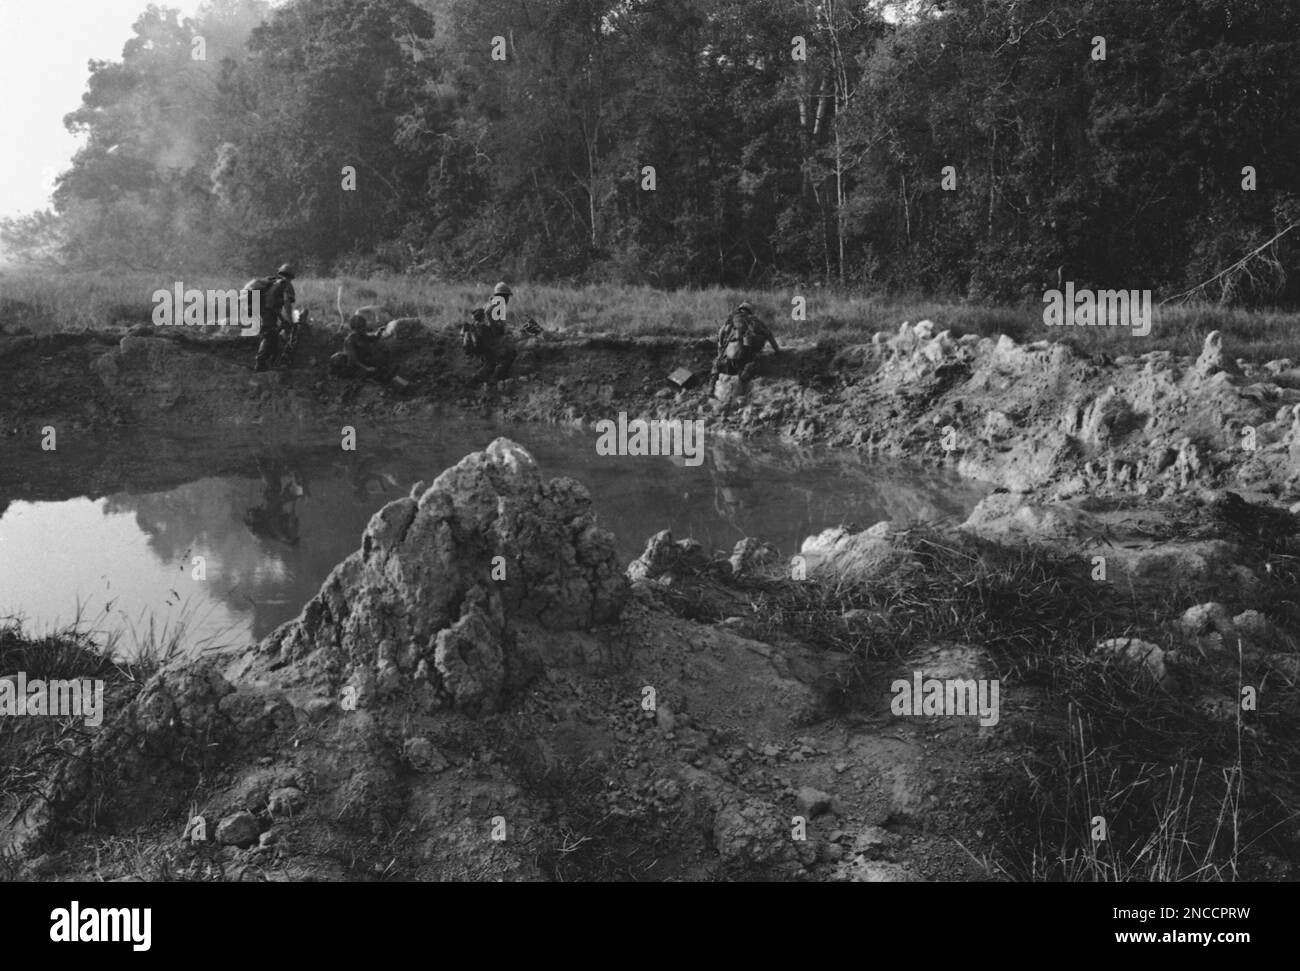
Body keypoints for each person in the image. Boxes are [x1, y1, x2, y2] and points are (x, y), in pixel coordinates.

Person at [709, 301, 780, 388]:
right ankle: (741, 384)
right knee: (754, 363)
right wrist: (777, 350)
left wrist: (720, 356)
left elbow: (720, 340)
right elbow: (769, 334)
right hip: (745, 359)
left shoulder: (729, 321)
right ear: (750, 311)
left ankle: (710, 388)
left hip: (728, 360)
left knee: (716, 364)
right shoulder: (754, 320)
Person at [461, 283, 519, 384]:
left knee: (490, 363)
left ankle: (473, 381)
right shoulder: (498, 306)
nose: (508, 299)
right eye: (507, 296)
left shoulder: (487, 304)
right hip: (487, 340)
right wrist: (511, 331)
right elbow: (498, 328)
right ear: (503, 296)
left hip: (479, 340)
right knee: (510, 354)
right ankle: (495, 380)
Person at [330, 314, 407, 386]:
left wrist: (379, 332)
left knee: (385, 369)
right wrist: (366, 368)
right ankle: (397, 387)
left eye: (364, 326)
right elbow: (353, 360)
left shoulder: (362, 336)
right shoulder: (350, 340)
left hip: (366, 362)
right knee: (377, 378)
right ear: (355, 328)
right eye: (361, 327)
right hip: (357, 368)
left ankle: (403, 385)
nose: (364, 328)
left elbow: (373, 338)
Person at [254, 263, 297, 372]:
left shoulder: (273, 282)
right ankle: (260, 363)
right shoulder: (286, 284)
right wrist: (290, 320)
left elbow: (273, 306)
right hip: (267, 313)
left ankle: (270, 362)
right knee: (269, 335)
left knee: (272, 335)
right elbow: (287, 303)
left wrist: (283, 320)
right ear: (291, 275)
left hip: (262, 311)